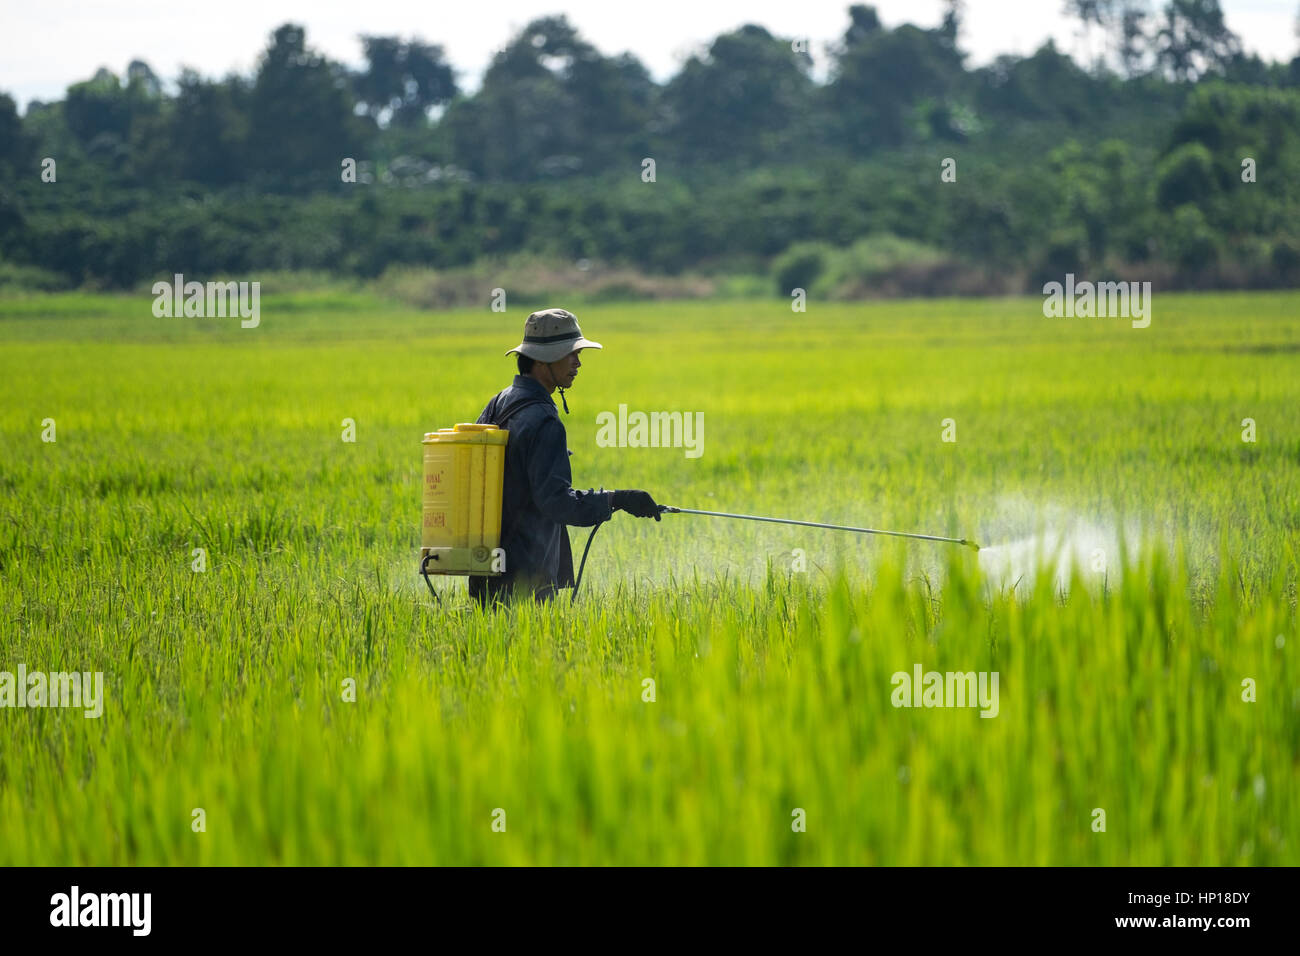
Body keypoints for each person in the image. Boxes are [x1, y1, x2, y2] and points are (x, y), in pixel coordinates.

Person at [468, 308, 661, 607]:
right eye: (570, 354)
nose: (578, 363)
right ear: (543, 360)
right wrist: (617, 499)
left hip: (486, 566)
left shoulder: (501, 401)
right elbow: (558, 504)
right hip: (526, 575)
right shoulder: (544, 420)